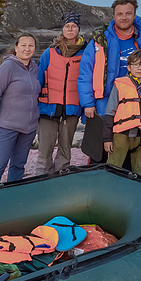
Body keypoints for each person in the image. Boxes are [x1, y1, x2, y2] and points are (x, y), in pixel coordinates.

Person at [77, 0, 141, 164]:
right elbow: (85, 74)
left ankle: (124, 181)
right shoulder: (99, 41)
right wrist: (87, 103)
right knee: (99, 150)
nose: (124, 17)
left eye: (128, 13)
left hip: (135, 104)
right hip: (103, 103)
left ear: (134, 15)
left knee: (128, 148)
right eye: (120, 14)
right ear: (113, 15)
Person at [0, 34, 40, 186]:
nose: (27, 49)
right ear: (16, 48)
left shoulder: (35, 68)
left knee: (18, 165)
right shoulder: (7, 67)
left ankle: (12, 197)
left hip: (29, 128)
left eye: (31, 45)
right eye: (23, 45)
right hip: (8, 126)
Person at [35, 11, 87, 173]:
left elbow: (88, 82)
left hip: (71, 111)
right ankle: (41, 182)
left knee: (65, 151)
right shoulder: (49, 53)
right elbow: (38, 81)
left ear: (78, 29)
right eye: (67, 26)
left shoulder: (86, 53)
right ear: (62, 29)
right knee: (44, 152)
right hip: (47, 110)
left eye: (73, 26)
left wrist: (86, 110)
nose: (70, 29)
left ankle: (60, 180)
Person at [102, 49, 141, 175]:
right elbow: (109, 113)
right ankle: (110, 191)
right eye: (135, 64)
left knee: (140, 167)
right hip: (121, 134)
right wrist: (107, 139)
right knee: (114, 166)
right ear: (129, 67)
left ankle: (138, 191)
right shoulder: (120, 84)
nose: (139, 68)